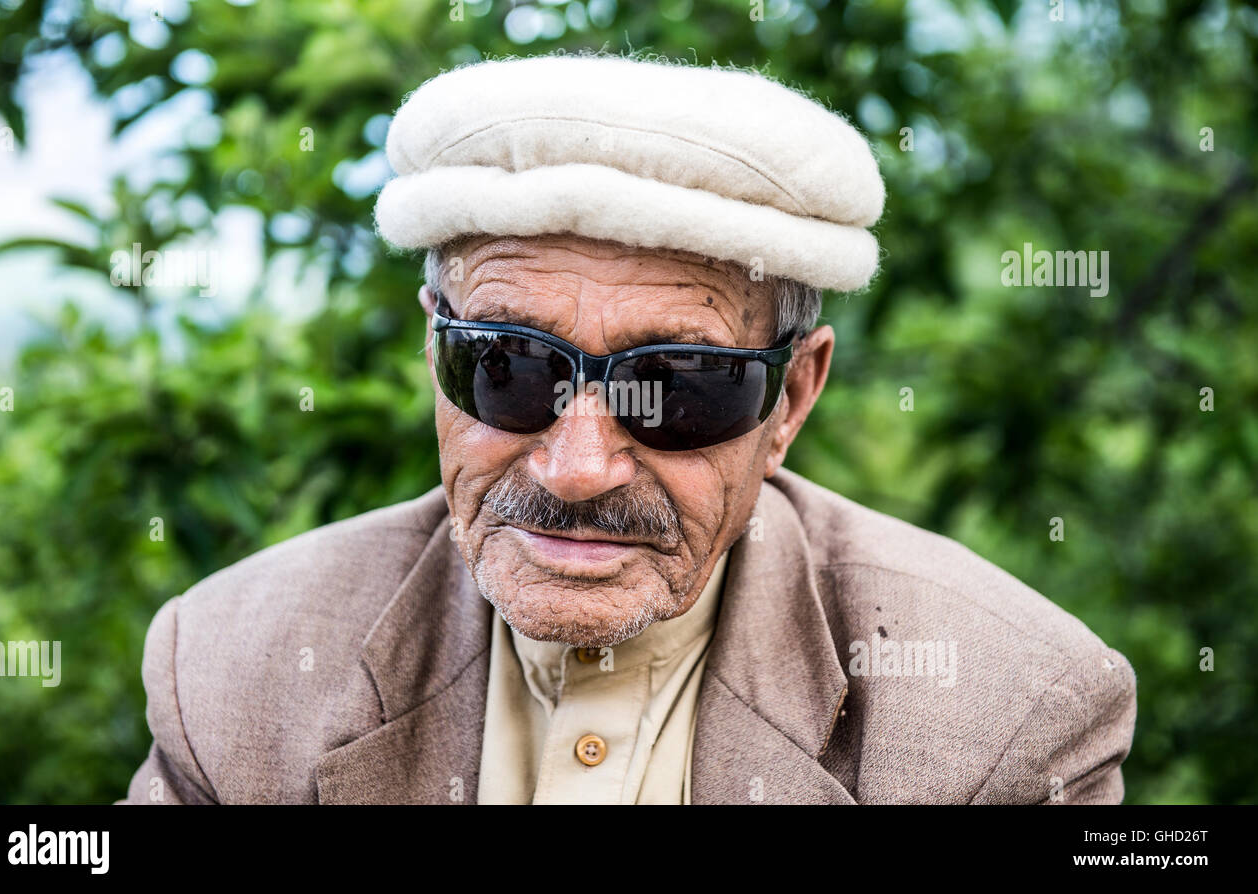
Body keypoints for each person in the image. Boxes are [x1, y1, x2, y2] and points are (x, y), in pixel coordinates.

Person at [121, 51, 1135, 805]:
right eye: (510, 369)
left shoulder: (1006, 715)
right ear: (438, 356)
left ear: (790, 401)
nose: (575, 470)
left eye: (678, 385)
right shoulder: (228, 670)